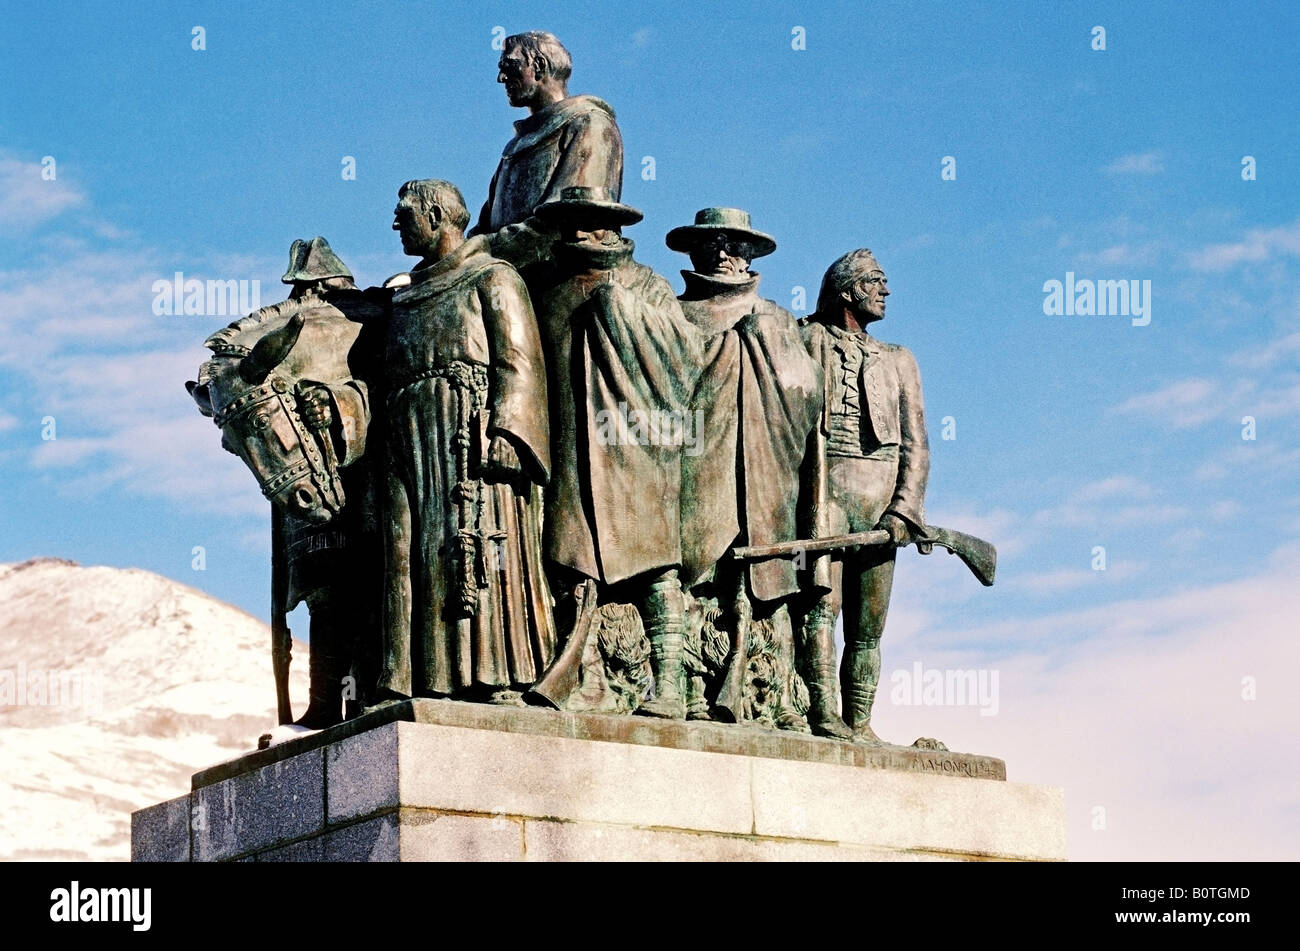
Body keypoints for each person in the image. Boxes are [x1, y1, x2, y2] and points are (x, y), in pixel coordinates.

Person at [525, 185, 703, 719]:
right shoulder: (543, 283)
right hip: (570, 448)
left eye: (591, 221)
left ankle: (670, 686)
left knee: (656, 570)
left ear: (614, 228)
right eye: (571, 221)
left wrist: (617, 306)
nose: (579, 231)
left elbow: (684, 354)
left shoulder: (644, 282)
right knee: (570, 565)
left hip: (638, 449)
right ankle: (584, 677)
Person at [378, 179, 555, 704]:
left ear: (436, 216)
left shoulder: (493, 278)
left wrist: (510, 432)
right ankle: (414, 676)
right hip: (408, 436)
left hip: (469, 434)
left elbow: (519, 361)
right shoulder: (404, 297)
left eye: (403, 214)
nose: (395, 225)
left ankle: (495, 673)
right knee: (409, 554)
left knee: (476, 548)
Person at [667, 208, 822, 728]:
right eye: (717, 245)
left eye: (739, 246)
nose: (729, 256)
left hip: (766, 471)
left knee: (762, 589)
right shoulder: (673, 312)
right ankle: (690, 688)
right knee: (699, 580)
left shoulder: (776, 319)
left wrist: (760, 345)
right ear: (696, 252)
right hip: (696, 467)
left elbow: (806, 395)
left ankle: (774, 697)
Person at [800, 249, 929, 742]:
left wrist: (905, 509)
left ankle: (860, 723)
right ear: (848, 289)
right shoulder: (806, 340)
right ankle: (821, 713)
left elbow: (917, 444)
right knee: (819, 609)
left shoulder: (898, 360)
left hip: (880, 502)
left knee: (868, 625)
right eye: (876, 281)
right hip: (823, 491)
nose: (886, 291)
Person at [469, 31, 623, 273]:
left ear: (539, 66)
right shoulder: (514, 146)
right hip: (505, 271)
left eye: (510, 66)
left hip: (564, 278)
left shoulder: (589, 123)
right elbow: (484, 226)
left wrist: (476, 255)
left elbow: (563, 221)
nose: (501, 78)